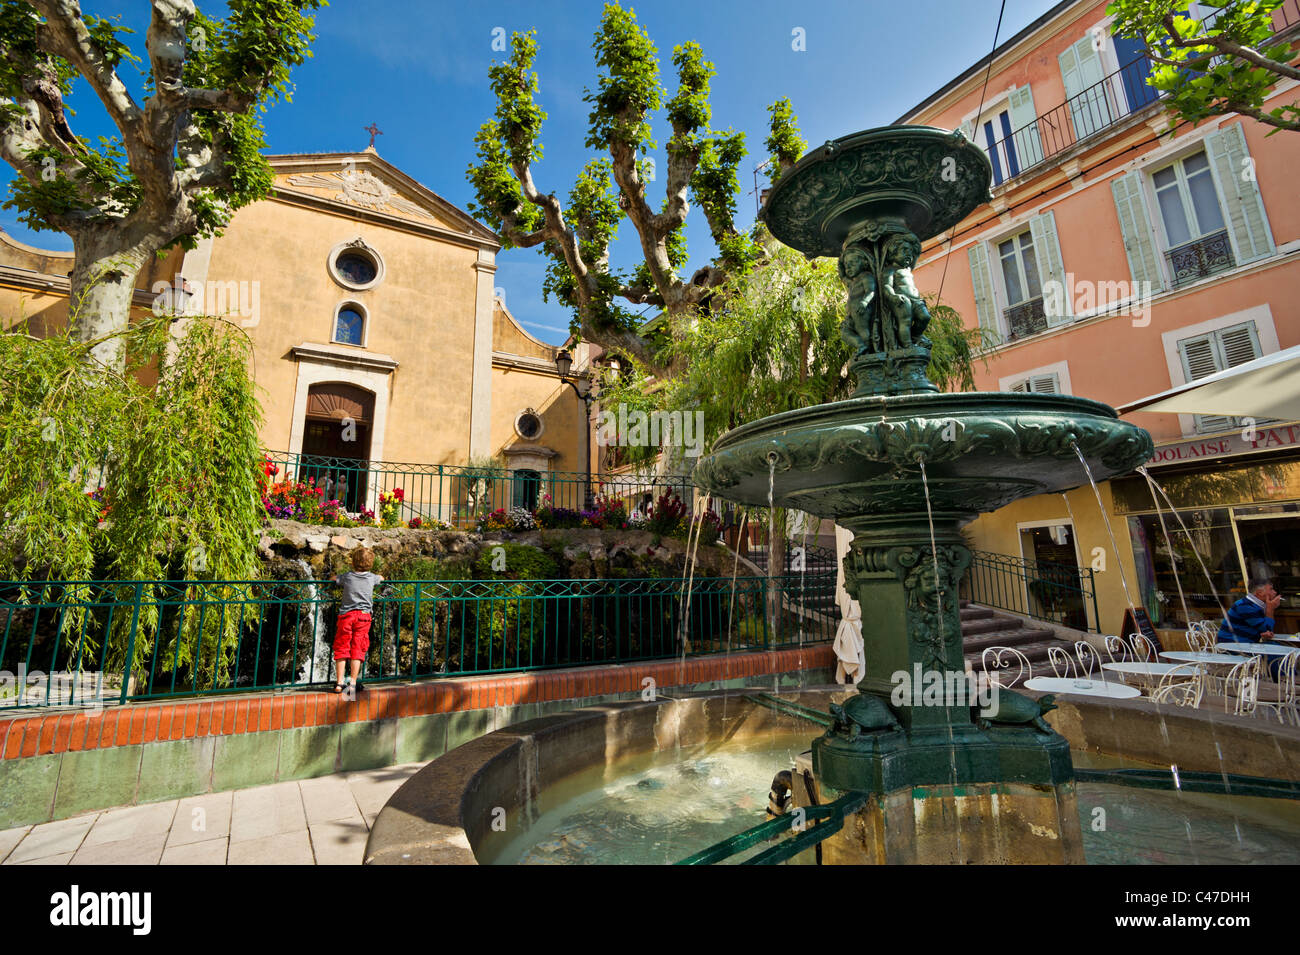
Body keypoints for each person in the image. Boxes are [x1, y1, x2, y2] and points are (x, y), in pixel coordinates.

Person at [331, 545, 383, 696]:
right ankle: (352, 684)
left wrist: (332, 577)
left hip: (346, 616)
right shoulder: (372, 577)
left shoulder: (347, 576)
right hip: (364, 617)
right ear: (370, 564)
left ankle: (339, 682)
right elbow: (381, 579)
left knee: (342, 647)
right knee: (357, 649)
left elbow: (335, 579)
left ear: (353, 563)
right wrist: (380, 577)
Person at [1218, 575, 1282, 644]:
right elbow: (1266, 628)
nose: (1275, 592)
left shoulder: (1256, 605)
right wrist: (1270, 609)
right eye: (1271, 589)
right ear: (1260, 592)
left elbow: (1265, 630)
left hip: (1245, 643)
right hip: (1233, 645)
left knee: (1280, 648)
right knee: (1280, 651)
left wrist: (1264, 632)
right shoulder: (1245, 605)